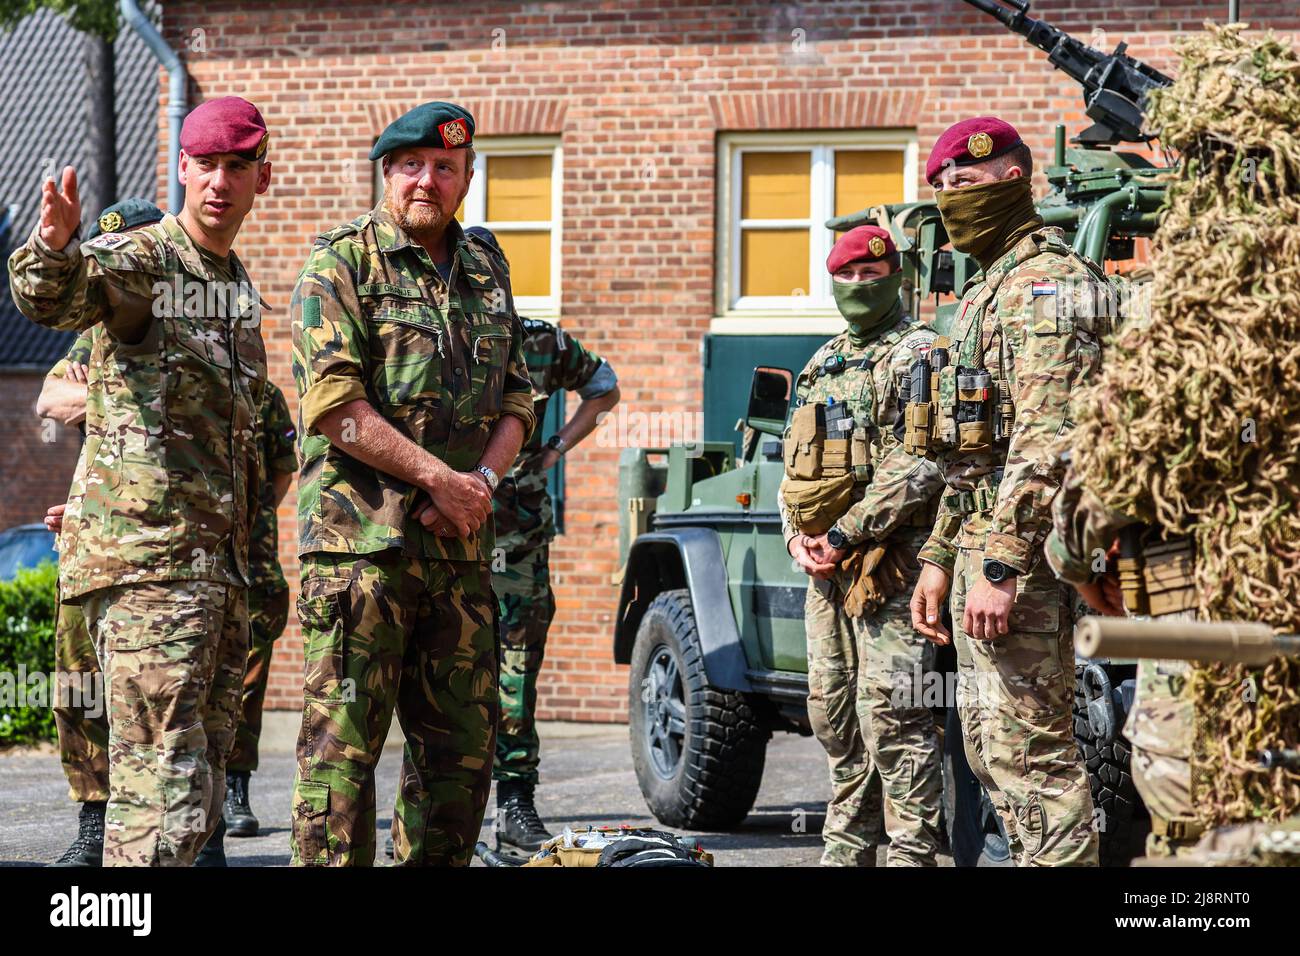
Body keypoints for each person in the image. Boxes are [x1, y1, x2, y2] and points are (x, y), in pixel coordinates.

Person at [8, 96, 272, 866]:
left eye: (236, 166)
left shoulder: (235, 289)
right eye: (205, 165)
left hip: (214, 579)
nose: (219, 182)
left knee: (195, 798)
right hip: (151, 576)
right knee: (159, 797)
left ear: (264, 175)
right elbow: (63, 292)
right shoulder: (152, 259)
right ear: (182, 169)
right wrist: (52, 248)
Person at [288, 101, 536, 866]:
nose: (427, 180)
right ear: (385, 173)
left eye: (445, 168)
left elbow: (520, 398)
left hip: (459, 554)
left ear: (466, 179)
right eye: (411, 166)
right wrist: (441, 479)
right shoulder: (340, 264)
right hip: (361, 555)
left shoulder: (487, 267)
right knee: (341, 764)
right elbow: (336, 408)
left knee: (461, 762)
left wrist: (482, 482)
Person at [905, 116, 1108, 866]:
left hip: (1021, 562)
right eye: (941, 188)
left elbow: (1050, 439)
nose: (950, 199)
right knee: (993, 751)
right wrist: (937, 557)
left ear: (1015, 179)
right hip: (978, 547)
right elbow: (971, 456)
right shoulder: (986, 290)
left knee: (1034, 757)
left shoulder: (1047, 285)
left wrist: (1001, 564)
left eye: (965, 184)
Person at [779, 225, 947, 865]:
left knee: (896, 721)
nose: (857, 287)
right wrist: (798, 537)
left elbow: (927, 461)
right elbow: (792, 469)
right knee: (835, 719)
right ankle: (845, 853)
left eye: (871, 278)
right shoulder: (822, 363)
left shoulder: (922, 355)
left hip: (893, 571)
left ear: (897, 279)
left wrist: (846, 533)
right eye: (846, 277)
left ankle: (911, 856)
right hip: (826, 578)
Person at [461, 225, 622, 856]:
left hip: (520, 533)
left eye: (490, 277)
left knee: (517, 669)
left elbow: (604, 387)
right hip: (445, 531)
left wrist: (556, 447)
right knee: (441, 668)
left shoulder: (540, 342)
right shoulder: (437, 345)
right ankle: (442, 811)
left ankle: (516, 803)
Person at [223, 381, 297, 840]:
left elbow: (283, 472)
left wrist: (253, 514)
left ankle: (236, 788)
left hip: (252, 563)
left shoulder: (264, 394)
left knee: (246, 680)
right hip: (188, 551)